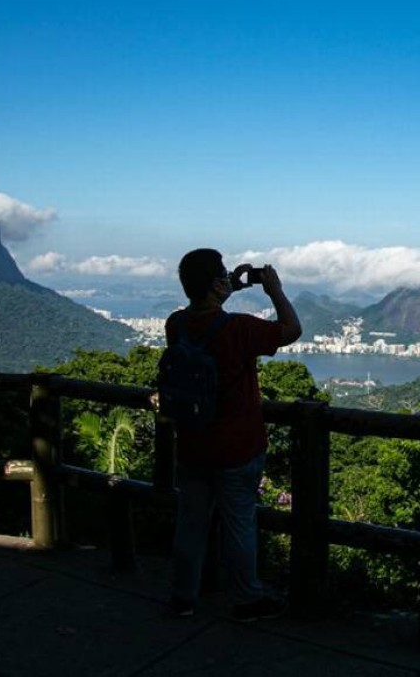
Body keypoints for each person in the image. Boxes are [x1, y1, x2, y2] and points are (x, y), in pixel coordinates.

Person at [165, 248, 302, 621]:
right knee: (239, 524)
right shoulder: (240, 328)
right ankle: (246, 600)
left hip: (192, 444)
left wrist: (228, 287)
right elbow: (292, 330)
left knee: (190, 524)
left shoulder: (175, 325)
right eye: (223, 275)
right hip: (236, 447)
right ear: (215, 284)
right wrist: (274, 290)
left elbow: (204, 317)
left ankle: (183, 597)